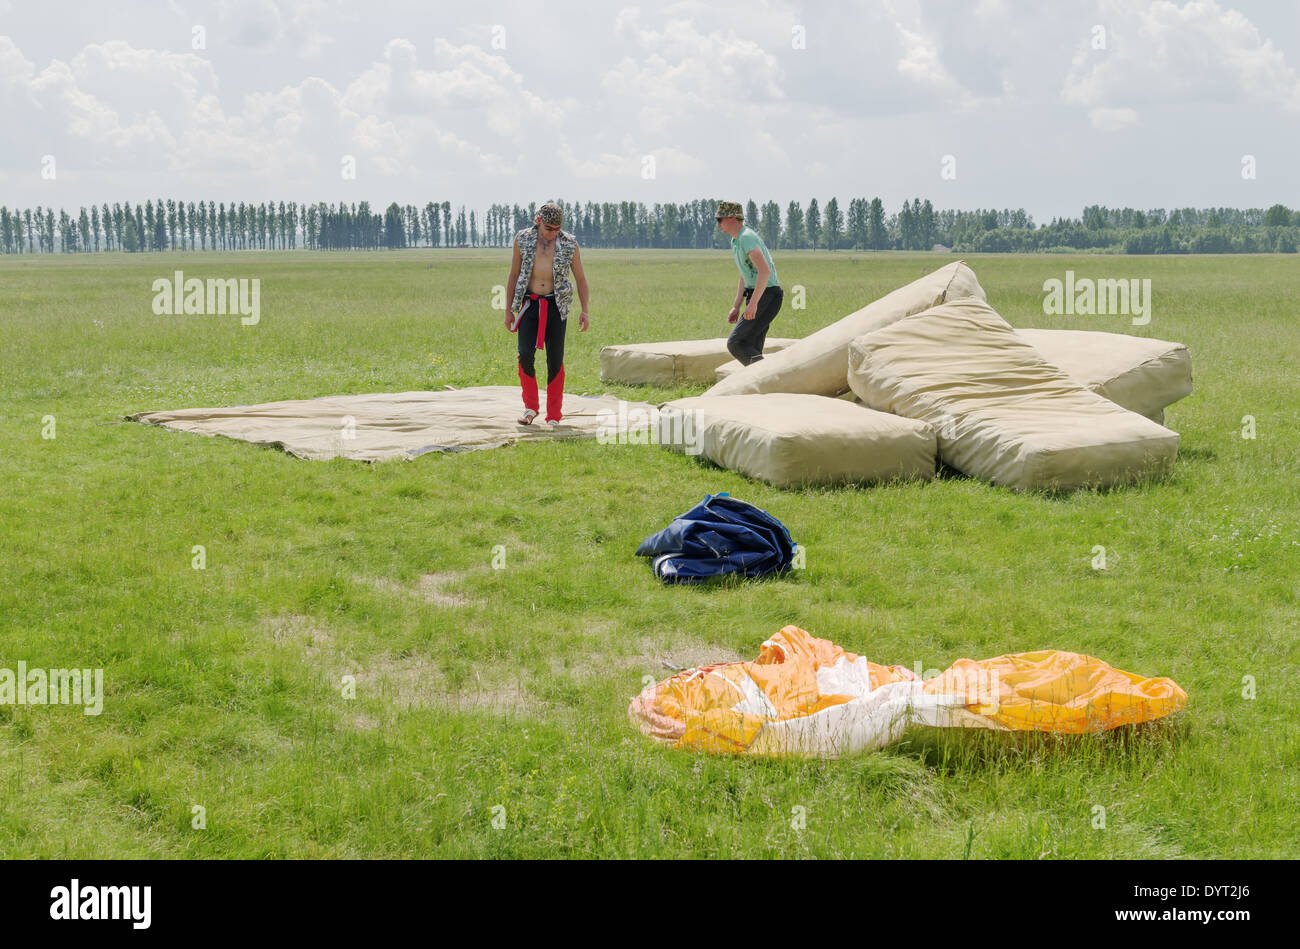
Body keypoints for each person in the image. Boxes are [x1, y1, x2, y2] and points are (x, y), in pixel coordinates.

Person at [504, 202, 589, 426]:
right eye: (549, 228)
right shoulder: (522, 239)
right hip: (529, 305)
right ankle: (530, 407)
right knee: (525, 355)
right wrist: (508, 311)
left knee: (555, 360)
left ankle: (554, 415)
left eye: (557, 229)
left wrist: (585, 311)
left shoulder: (570, 243)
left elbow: (580, 278)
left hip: (556, 307)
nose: (553, 233)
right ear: (539, 221)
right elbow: (513, 275)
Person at [715, 201, 782, 366]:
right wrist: (737, 306)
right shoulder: (736, 241)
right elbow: (744, 276)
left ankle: (766, 376)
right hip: (759, 295)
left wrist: (753, 305)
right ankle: (763, 383)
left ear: (731, 218)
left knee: (735, 343)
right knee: (750, 344)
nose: (718, 225)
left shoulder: (746, 238)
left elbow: (764, 272)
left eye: (719, 220)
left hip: (768, 294)